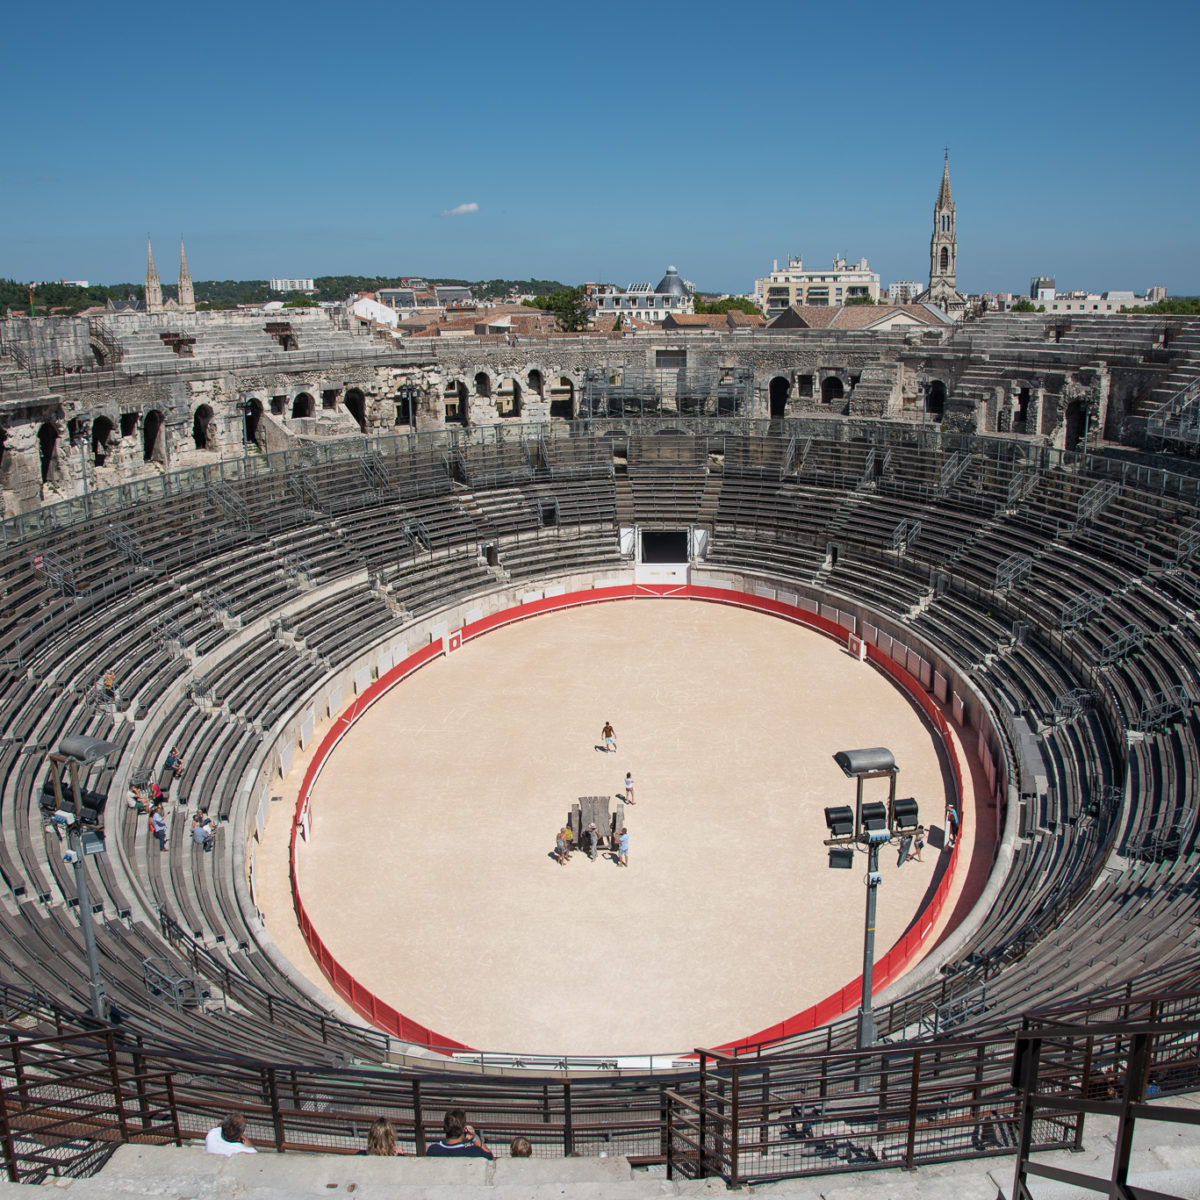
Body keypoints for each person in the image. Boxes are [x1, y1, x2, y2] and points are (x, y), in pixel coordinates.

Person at [425, 1108, 493, 1159]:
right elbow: (489, 1156)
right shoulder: (474, 1151)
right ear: (464, 1130)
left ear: (445, 1128)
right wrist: (475, 1137)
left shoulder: (433, 1150)